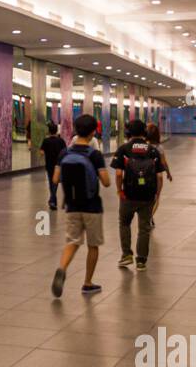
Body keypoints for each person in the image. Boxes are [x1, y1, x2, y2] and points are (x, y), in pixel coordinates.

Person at [51, 113, 111, 296]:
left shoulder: (65, 153)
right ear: (93, 132)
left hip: (72, 205)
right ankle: (87, 283)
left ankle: (62, 268)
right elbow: (106, 182)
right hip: (92, 206)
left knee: (72, 241)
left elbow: (55, 179)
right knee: (93, 245)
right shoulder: (94, 154)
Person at [112, 119, 165, 271]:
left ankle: (126, 255)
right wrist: (157, 193)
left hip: (128, 194)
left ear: (129, 132)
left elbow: (118, 174)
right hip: (147, 195)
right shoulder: (152, 150)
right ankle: (141, 261)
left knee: (124, 223)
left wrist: (119, 190)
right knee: (144, 228)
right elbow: (160, 177)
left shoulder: (124, 149)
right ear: (145, 132)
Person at [144, 122, 172, 228]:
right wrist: (169, 174)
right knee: (156, 197)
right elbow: (163, 163)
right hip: (156, 176)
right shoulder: (159, 147)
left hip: (144, 175)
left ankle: (146, 216)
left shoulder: (143, 145)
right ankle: (149, 217)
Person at [40, 121, 66, 210]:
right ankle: (54, 200)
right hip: (59, 165)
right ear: (56, 131)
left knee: (52, 183)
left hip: (49, 165)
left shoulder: (46, 141)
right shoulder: (61, 141)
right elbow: (65, 152)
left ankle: (52, 200)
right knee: (58, 182)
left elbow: (42, 152)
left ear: (49, 131)